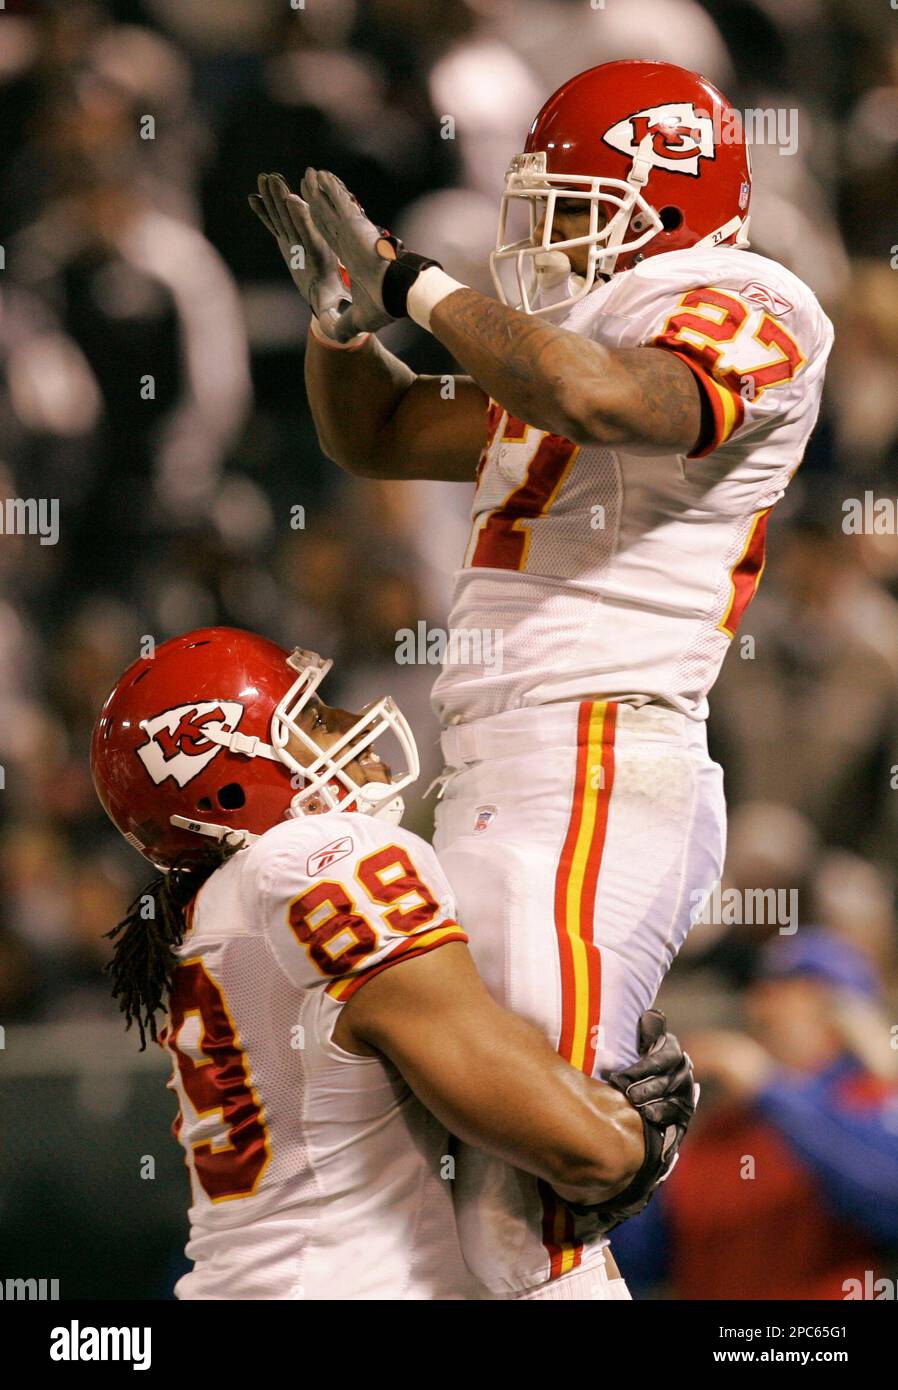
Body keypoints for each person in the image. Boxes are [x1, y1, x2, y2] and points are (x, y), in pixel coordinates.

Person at [250, 57, 834, 1299]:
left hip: (594, 761)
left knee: (530, 1220)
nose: (552, 232)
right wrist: (347, 321)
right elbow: (380, 432)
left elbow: (597, 396)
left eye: (574, 201)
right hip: (512, 769)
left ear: (665, 195)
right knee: (467, 1209)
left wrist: (415, 279)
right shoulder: (584, 332)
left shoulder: (742, 294)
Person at [91, 626, 697, 1301]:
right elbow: (582, 1149)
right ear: (224, 781)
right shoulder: (313, 859)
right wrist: (644, 1143)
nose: (351, 724)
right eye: (314, 718)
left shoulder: (214, 909)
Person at [613, 930, 898, 1299]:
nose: (764, 1006)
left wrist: (767, 1087)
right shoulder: (720, 1128)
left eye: (793, 992)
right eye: (764, 990)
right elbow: (639, 1261)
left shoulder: (872, 1102)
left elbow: (887, 1197)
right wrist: (634, 1143)